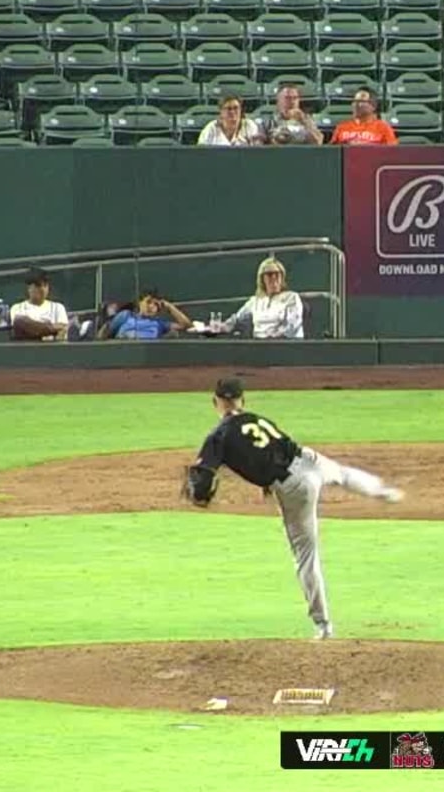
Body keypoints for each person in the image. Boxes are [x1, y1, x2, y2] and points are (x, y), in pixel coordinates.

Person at [182, 377, 405, 639]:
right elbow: (271, 448)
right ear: (243, 400)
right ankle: (384, 492)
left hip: (295, 487)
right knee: (342, 474)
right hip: (309, 459)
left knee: (305, 556)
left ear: (215, 402)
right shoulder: (257, 418)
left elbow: (203, 479)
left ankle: (323, 626)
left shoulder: (217, 436)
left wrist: (199, 494)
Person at [215, 256, 305, 339]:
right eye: (269, 274)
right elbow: (236, 321)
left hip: (285, 346)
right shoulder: (255, 301)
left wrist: (271, 338)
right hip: (259, 347)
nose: (274, 277)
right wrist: (219, 327)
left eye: (277, 274)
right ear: (262, 279)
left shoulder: (292, 297)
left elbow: (291, 327)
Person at [100, 288, 191, 339]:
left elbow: (186, 325)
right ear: (140, 303)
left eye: (156, 305)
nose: (151, 307)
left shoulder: (160, 323)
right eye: (148, 302)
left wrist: (169, 307)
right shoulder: (126, 316)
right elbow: (104, 335)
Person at [9, 268, 70, 342]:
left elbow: (63, 330)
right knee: (20, 320)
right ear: (28, 288)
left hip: (51, 349)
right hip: (27, 349)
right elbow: (20, 327)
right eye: (38, 285)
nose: (42, 289)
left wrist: (36, 328)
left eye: (45, 285)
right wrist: (53, 328)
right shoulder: (17, 308)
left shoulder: (58, 307)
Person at [256, 83, 324, 146]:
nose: (292, 101)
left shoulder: (307, 120)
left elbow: (318, 142)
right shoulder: (267, 123)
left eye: (295, 98)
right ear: (278, 100)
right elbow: (259, 146)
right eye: (287, 98)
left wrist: (303, 121)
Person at [329, 89, 399, 146]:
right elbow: (333, 152)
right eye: (355, 101)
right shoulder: (341, 127)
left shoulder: (383, 128)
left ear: (373, 106)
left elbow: (392, 152)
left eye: (361, 101)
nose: (356, 105)